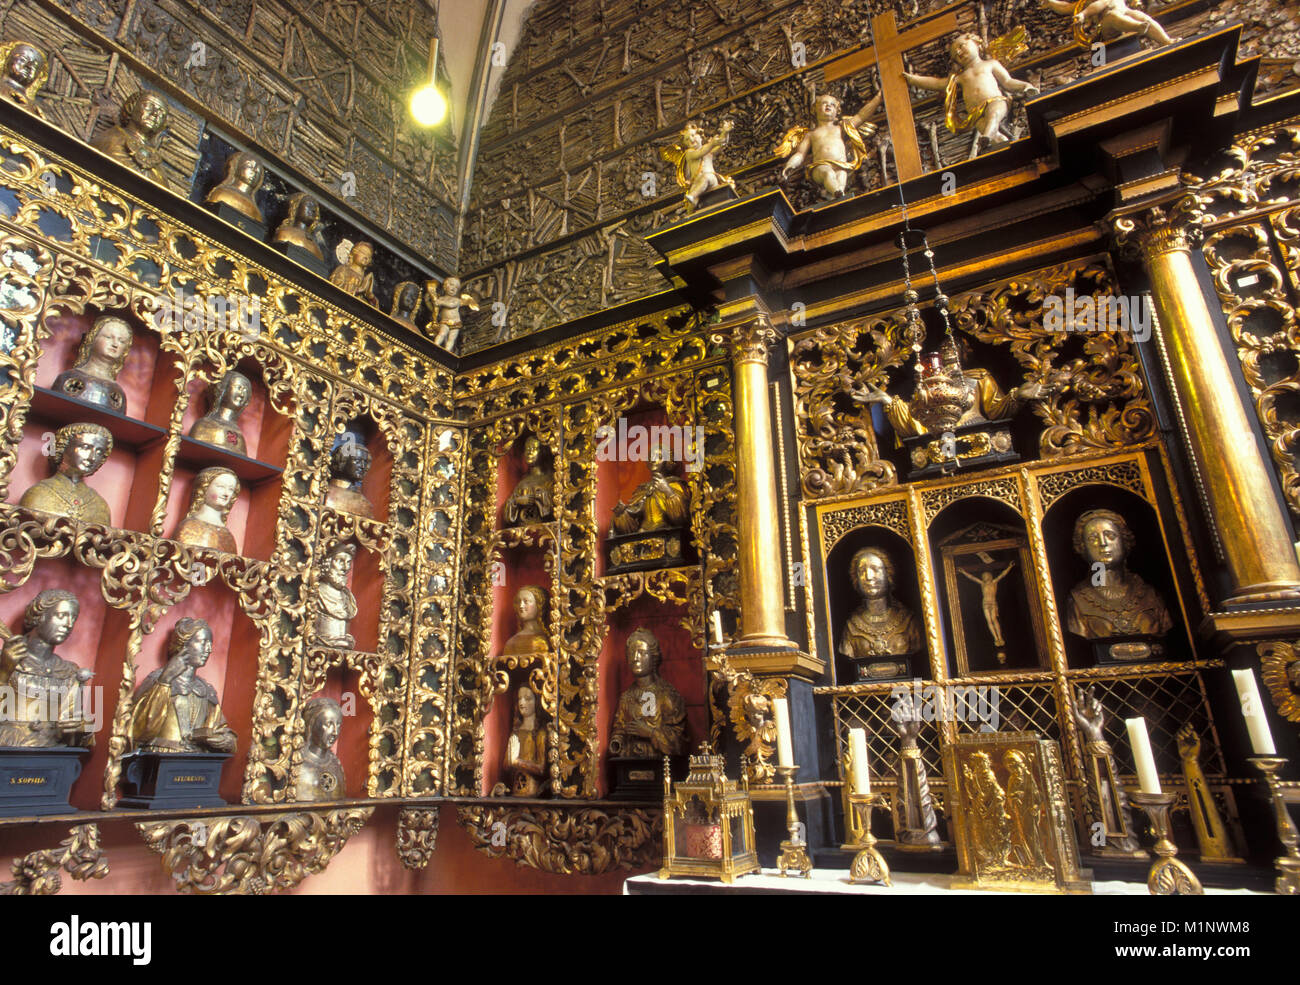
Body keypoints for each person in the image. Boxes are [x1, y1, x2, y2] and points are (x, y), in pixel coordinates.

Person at [903, 33, 1039, 159]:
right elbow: (937, 83)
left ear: (976, 42)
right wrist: (913, 80)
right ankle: (1009, 151)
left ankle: (987, 136)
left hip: (995, 101)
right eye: (955, 55)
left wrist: (1025, 86)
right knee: (995, 137)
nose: (959, 52)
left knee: (994, 117)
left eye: (961, 46)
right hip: (975, 113)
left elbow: (1008, 82)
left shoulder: (990, 64)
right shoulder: (960, 77)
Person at [128, 617, 236, 754]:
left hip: (196, 762)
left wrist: (227, 740)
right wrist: (165, 681)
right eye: (203, 643)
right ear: (184, 644)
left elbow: (219, 728)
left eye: (210, 644)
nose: (209, 650)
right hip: (160, 757)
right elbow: (138, 729)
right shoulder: (157, 679)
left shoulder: (206, 690)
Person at [0, 589, 93, 748]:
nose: (68, 624)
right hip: (8, 752)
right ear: (39, 616)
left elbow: (71, 733)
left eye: (73, 618)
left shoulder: (68, 672)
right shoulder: (6, 660)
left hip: (50, 759)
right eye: (62, 616)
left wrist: (79, 728)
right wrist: (4, 672)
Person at [1066, 508, 1172, 638]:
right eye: (1093, 538)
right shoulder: (1078, 601)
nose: (1103, 543)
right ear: (1083, 547)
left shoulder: (1150, 596)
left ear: (1124, 540)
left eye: (1110, 536)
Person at [777, 90, 883, 199]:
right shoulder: (811, 134)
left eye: (832, 105)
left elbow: (861, 116)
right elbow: (800, 154)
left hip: (841, 165)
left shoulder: (841, 128)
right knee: (828, 174)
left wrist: (878, 98)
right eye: (824, 103)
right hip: (820, 167)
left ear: (837, 111)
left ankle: (838, 196)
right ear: (815, 109)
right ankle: (837, 192)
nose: (828, 106)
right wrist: (790, 165)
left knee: (841, 178)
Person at [609, 628, 686, 758]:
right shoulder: (626, 697)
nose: (635, 658)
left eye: (642, 653)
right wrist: (617, 741)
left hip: (661, 763)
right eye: (632, 653)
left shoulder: (667, 695)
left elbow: (680, 740)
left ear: (653, 657)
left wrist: (650, 732)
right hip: (630, 762)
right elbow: (619, 728)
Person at [19, 422, 113, 525]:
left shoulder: (99, 505)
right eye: (85, 447)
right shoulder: (38, 493)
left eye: (99, 452)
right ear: (63, 447)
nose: (92, 458)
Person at [839, 546, 922, 658]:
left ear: (888, 574)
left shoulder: (908, 622)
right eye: (862, 571)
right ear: (856, 578)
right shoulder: (851, 627)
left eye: (875, 569)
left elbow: (918, 659)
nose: (868, 577)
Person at [53, 315, 133, 413]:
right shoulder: (68, 379)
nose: (115, 344)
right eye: (108, 337)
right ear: (93, 338)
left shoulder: (118, 393)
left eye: (122, 341)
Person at [92, 90, 172, 188]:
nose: (155, 114)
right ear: (131, 107)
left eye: (161, 113)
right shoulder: (110, 140)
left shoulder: (158, 166)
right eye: (149, 106)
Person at [612, 447, 689, 535]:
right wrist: (623, 513)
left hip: (666, 535)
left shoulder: (675, 485)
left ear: (668, 461)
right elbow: (633, 523)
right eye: (651, 457)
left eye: (659, 457)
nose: (653, 460)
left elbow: (682, 518)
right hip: (642, 535)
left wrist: (667, 491)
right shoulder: (643, 489)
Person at [662, 120, 735, 210]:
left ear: (700, 136)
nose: (691, 140)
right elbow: (700, 153)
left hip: (711, 180)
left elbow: (722, 143)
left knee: (706, 177)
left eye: (693, 135)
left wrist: (725, 132)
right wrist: (712, 144)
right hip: (696, 183)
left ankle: (692, 196)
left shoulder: (709, 151)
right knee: (691, 207)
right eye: (687, 140)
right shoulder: (689, 153)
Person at [172, 467, 240, 554]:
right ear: (205, 488)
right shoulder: (189, 527)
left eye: (231, 489)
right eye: (221, 487)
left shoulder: (228, 535)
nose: (226, 494)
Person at [188, 370, 251, 455]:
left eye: (245, 390)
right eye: (238, 387)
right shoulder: (203, 425)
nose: (242, 394)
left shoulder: (239, 434)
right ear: (223, 389)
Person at [294, 696, 345, 800]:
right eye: (328, 724)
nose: (335, 732)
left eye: (338, 724)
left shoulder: (335, 763)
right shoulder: (297, 761)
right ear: (312, 725)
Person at [311, 543, 358, 649]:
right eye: (340, 561)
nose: (346, 568)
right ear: (328, 563)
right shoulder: (317, 591)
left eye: (348, 562)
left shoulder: (347, 596)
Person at [504, 686, 547, 797]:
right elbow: (506, 765)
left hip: (533, 791)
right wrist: (510, 761)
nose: (522, 702)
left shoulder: (540, 733)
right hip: (515, 790)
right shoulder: (516, 732)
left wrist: (516, 762)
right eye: (519, 699)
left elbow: (541, 769)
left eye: (527, 699)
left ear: (536, 702)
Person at [960, 563, 1013, 647]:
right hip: (985, 603)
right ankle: (995, 638)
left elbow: (1003, 574)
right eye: (984, 576)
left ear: (990, 576)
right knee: (989, 621)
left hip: (993, 603)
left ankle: (1000, 637)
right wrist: (964, 572)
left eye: (987, 576)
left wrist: (1009, 567)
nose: (986, 577)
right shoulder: (982, 584)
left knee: (994, 619)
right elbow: (972, 578)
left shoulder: (994, 582)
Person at [204, 151, 265, 223]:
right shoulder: (222, 194)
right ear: (237, 167)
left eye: (257, 170)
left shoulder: (256, 212)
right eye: (249, 166)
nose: (254, 172)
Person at [504, 435, 554, 524]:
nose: (529, 452)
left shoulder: (550, 479)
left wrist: (534, 499)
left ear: (541, 452)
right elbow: (510, 506)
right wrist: (518, 501)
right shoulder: (522, 483)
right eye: (527, 449)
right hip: (523, 526)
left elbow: (553, 503)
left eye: (533, 449)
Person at [324, 437, 375, 519]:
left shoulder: (364, 502)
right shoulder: (326, 492)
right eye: (357, 461)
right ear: (342, 461)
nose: (362, 467)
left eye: (365, 463)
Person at [271, 193, 325, 261]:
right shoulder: (286, 232)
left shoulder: (315, 244)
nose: (313, 210)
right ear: (297, 207)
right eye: (309, 205)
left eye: (315, 208)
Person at [0, 41, 48, 114]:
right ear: (7, 59)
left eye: (34, 66)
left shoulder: (35, 111)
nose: (28, 66)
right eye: (23, 60)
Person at [502, 586, 549, 657]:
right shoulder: (511, 643)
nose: (521, 606)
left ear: (539, 605)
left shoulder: (546, 640)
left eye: (526, 601)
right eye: (518, 602)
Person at [329, 241, 377, 305]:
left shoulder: (366, 279)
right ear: (354, 253)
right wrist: (359, 290)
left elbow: (373, 305)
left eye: (369, 256)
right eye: (363, 253)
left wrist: (370, 296)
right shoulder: (343, 270)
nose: (366, 257)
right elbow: (333, 289)